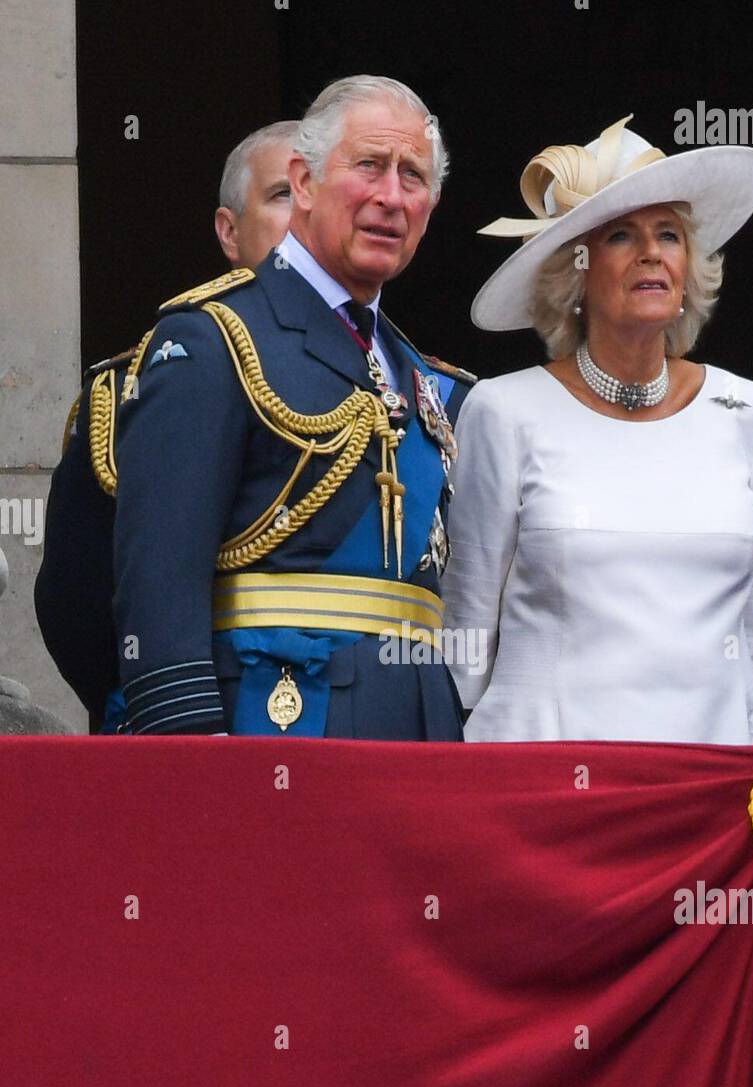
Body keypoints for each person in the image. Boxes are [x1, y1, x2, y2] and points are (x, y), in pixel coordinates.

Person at [111, 75, 474, 738]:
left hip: (418, 733)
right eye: (368, 165)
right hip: (273, 721)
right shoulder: (215, 338)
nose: (391, 196)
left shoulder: (420, 374)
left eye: (413, 177)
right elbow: (159, 576)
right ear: (303, 182)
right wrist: (188, 746)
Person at [442, 115, 753, 745]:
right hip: (550, 785)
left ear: (689, 269)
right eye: (621, 237)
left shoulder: (745, 408)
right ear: (575, 272)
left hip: (707, 784)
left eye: (668, 234)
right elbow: (466, 636)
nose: (651, 252)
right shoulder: (503, 409)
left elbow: (747, 632)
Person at [35, 121, 299, 729]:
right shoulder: (134, 386)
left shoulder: (410, 382)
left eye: (317, 195)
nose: (304, 215)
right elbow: (76, 603)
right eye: (283, 194)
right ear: (229, 232)